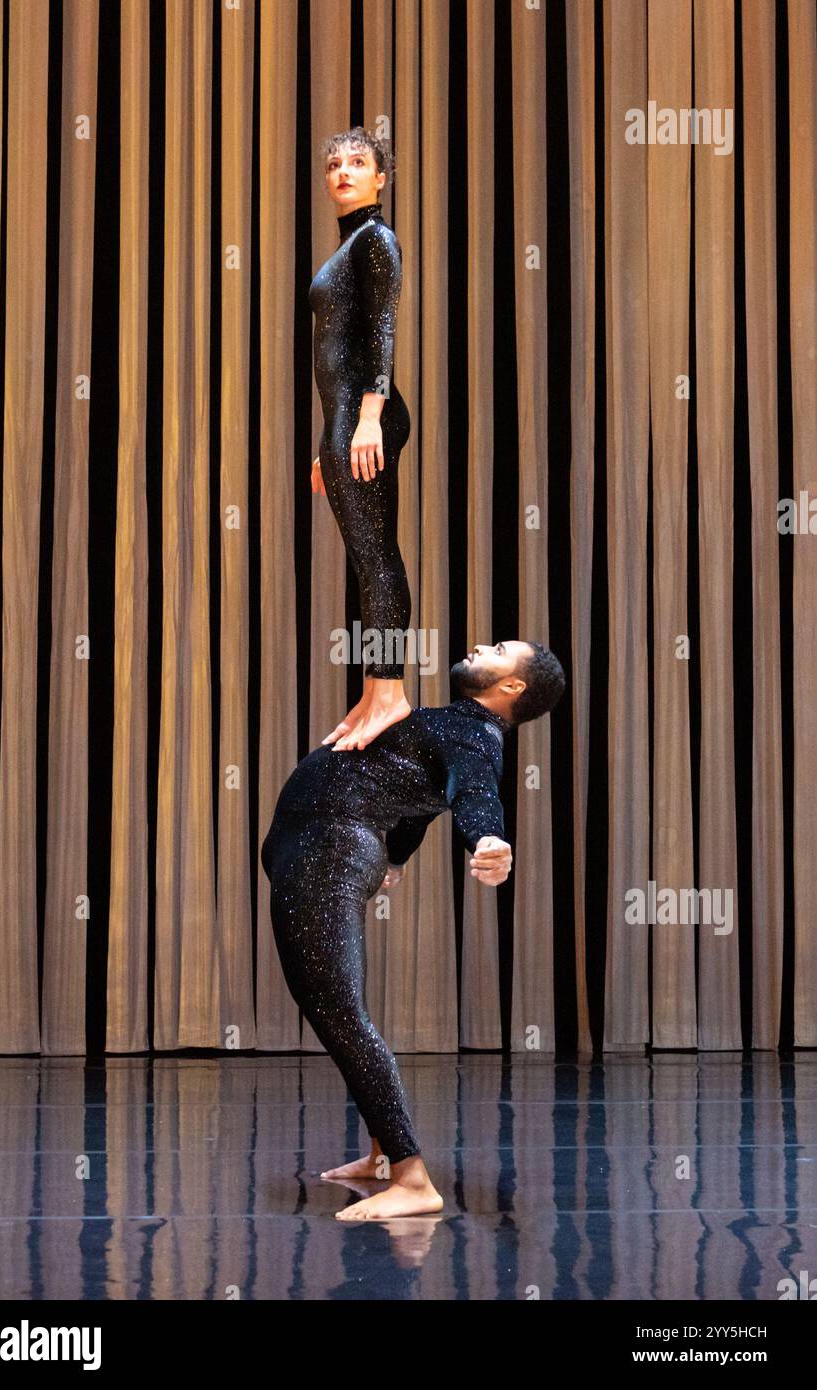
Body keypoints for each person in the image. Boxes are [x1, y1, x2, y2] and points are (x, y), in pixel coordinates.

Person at [261, 639, 566, 1220]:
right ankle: (381, 1154)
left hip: (326, 854)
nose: (480, 645)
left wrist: (489, 839)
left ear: (513, 687)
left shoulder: (476, 733)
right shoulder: (450, 725)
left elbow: (473, 792)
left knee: (340, 1014)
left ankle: (412, 1179)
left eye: (499, 649)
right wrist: (396, 857)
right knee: (339, 1012)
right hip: (318, 851)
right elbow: (425, 801)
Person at [309, 126, 413, 751]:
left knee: (378, 557)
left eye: (357, 163)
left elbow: (380, 331)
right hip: (344, 419)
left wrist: (368, 417)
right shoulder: (347, 248)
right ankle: (376, 690)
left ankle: (392, 694)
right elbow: (333, 354)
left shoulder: (376, 240)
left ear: (381, 178)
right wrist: (329, 437)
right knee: (366, 560)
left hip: (366, 416)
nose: (343, 172)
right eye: (333, 164)